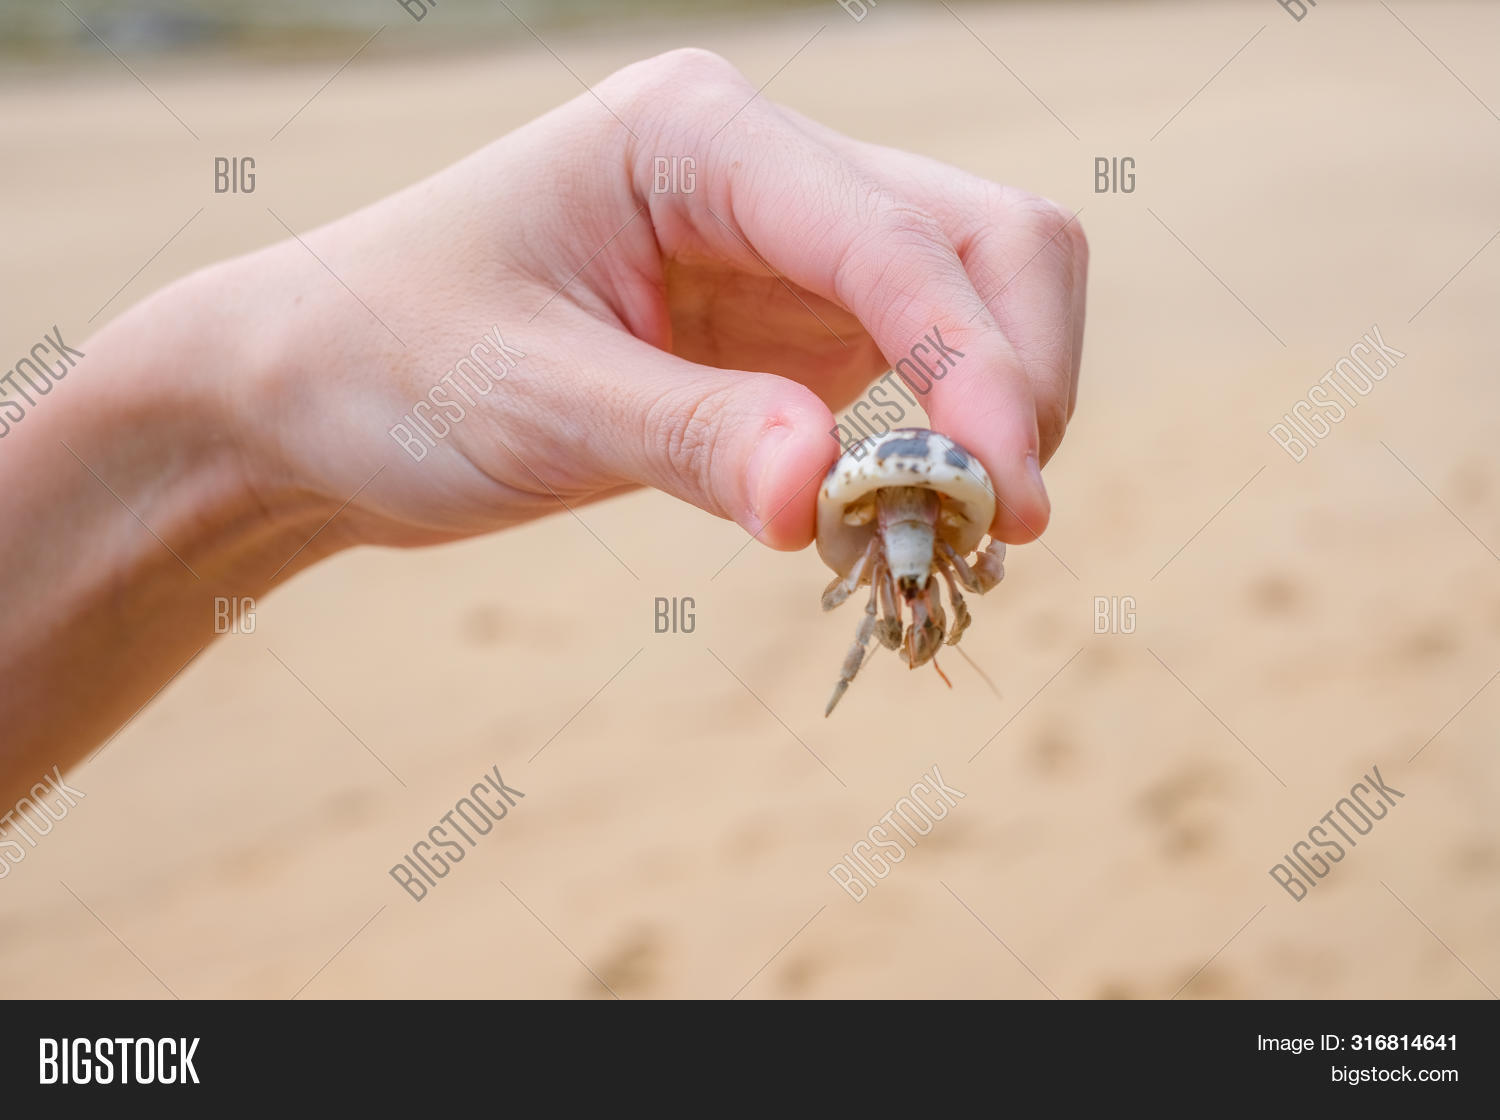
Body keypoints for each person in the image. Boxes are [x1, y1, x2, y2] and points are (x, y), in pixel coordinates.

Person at [0, 49, 1087, 804]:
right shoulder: (906, 539)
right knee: (879, 606)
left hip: (916, 485)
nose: (911, 590)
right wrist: (249, 426)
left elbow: (954, 568)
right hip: (913, 482)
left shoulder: (916, 540)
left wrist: (250, 430)